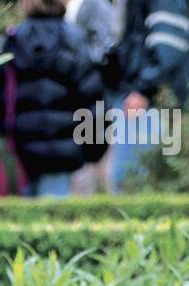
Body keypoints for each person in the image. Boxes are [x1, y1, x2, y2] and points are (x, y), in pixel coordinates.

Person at [0, 0, 105, 198]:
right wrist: (94, 151)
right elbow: (92, 102)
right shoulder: (76, 41)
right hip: (65, 154)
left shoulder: (11, 41)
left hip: (21, 156)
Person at [104, 0, 189, 191]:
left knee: (132, 181)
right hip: (134, 95)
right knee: (128, 180)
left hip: (144, 101)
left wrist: (144, 89)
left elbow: (169, 47)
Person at [65, 0, 118, 192]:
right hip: (75, 100)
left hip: (94, 100)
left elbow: (104, 47)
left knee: (98, 166)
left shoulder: (96, 5)